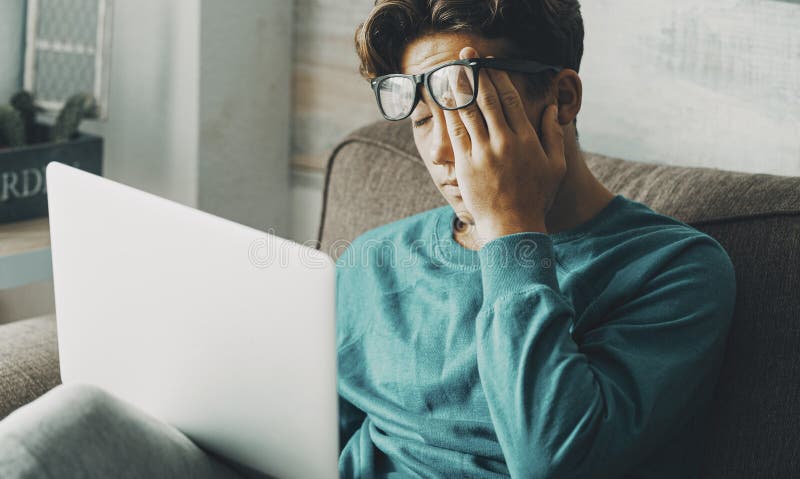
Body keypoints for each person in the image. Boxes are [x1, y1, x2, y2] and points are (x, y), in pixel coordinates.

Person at [0, 0, 736, 478]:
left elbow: (555, 459)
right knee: (75, 422)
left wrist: (512, 228)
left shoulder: (674, 268)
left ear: (562, 99)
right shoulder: (380, 259)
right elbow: (293, 433)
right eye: (420, 118)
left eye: (464, 103)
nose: (444, 151)